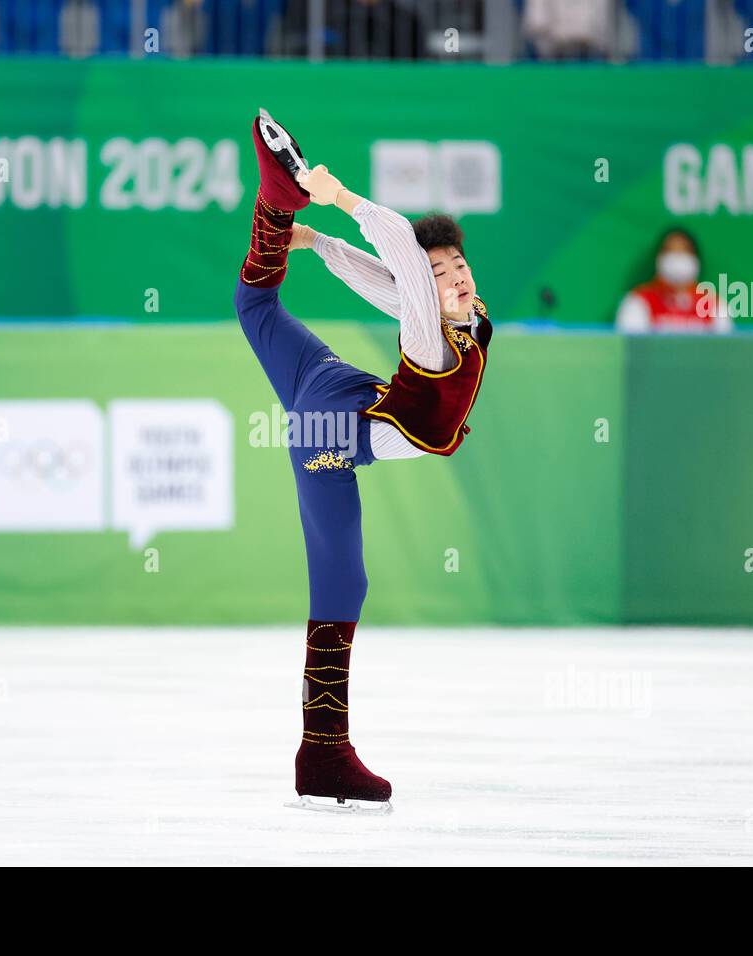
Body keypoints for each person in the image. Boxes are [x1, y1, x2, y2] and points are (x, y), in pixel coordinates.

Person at [234, 109, 491, 813]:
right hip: (328, 431)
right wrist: (341, 201)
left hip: (337, 387)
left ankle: (274, 205)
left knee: (256, 306)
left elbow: (397, 283)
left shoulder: (464, 319)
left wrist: (315, 241)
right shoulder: (433, 342)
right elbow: (402, 262)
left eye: (459, 266)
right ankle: (323, 752)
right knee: (343, 582)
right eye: (441, 273)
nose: (455, 277)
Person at [615, 228, 730, 333]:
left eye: (684, 251)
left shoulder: (715, 304)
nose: (677, 257)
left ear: (696, 259)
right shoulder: (638, 301)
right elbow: (632, 344)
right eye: (670, 251)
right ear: (658, 258)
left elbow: (724, 346)